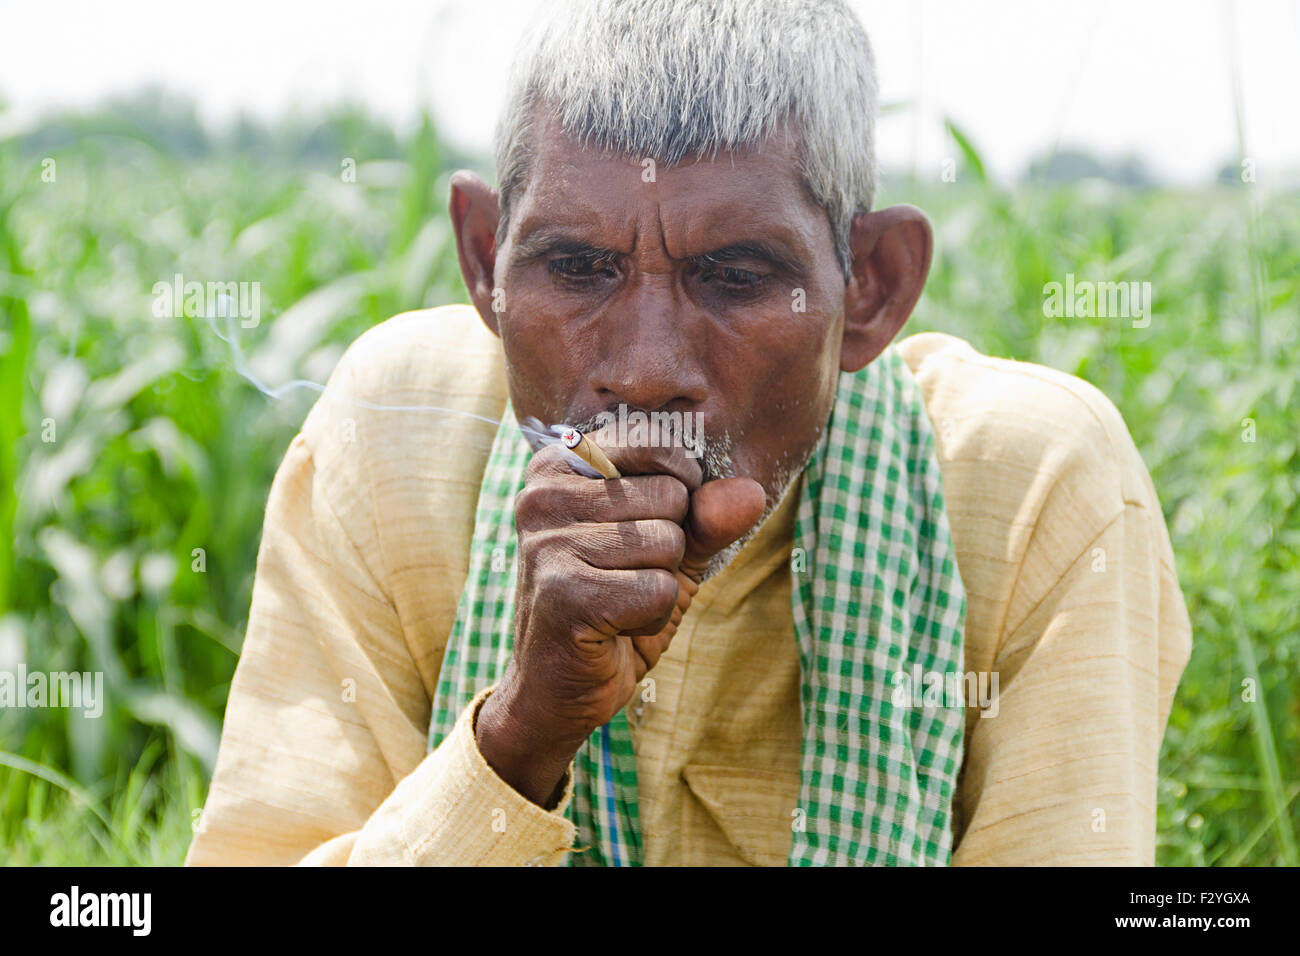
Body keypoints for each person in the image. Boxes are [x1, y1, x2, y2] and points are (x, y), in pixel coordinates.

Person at [186, 0, 1191, 866]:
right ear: (485, 257)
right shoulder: (396, 442)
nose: (647, 365)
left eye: (735, 276)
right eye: (576, 268)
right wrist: (520, 733)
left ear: (871, 285)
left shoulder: (1031, 489)